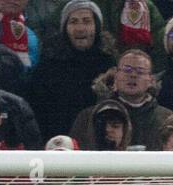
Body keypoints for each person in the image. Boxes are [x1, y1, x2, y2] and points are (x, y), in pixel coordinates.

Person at [27, 0, 116, 138]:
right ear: (65, 28)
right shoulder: (48, 65)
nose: (80, 28)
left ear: (97, 27)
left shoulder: (109, 64)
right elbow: (37, 110)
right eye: (73, 22)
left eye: (86, 21)